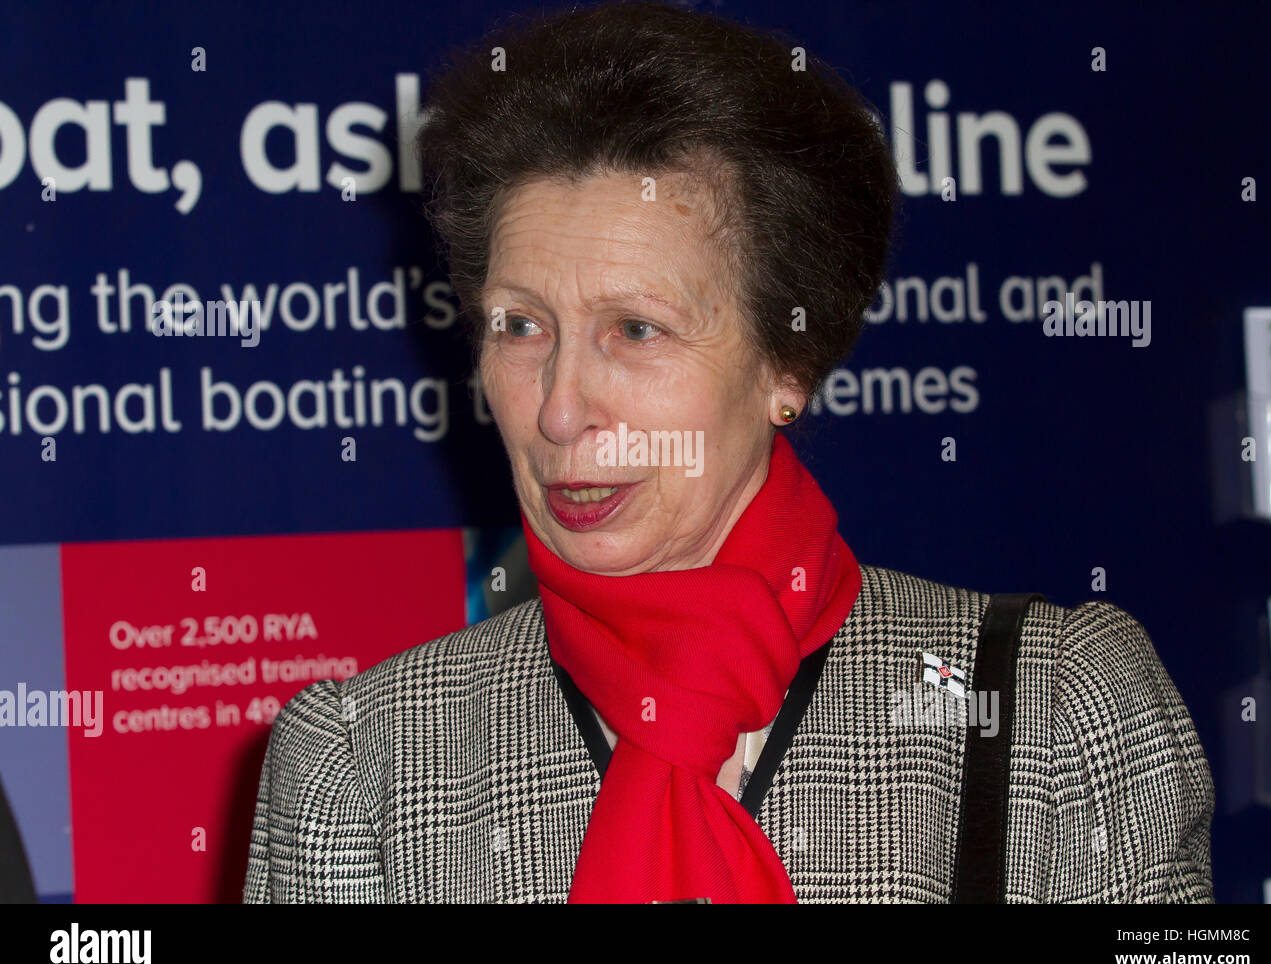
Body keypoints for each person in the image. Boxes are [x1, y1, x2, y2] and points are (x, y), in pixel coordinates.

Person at [243, 0, 1214, 903]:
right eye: (521, 326)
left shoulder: (1054, 710)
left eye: (636, 329)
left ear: (785, 362)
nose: (560, 410)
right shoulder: (360, 766)